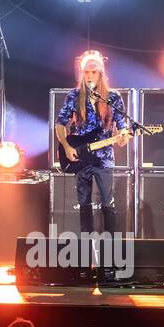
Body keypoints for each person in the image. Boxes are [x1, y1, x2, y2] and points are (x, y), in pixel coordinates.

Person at [54, 50, 129, 234]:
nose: (89, 76)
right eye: (86, 72)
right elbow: (60, 124)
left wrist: (124, 136)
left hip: (104, 158)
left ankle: (111, 248)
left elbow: (122, 125)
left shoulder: (112, 97)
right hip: (80, 157)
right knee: (84, 203)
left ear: (100, 74)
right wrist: (67, 146)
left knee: (107, 203)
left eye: (93, 72)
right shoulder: (74, 96)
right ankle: (85, 248)